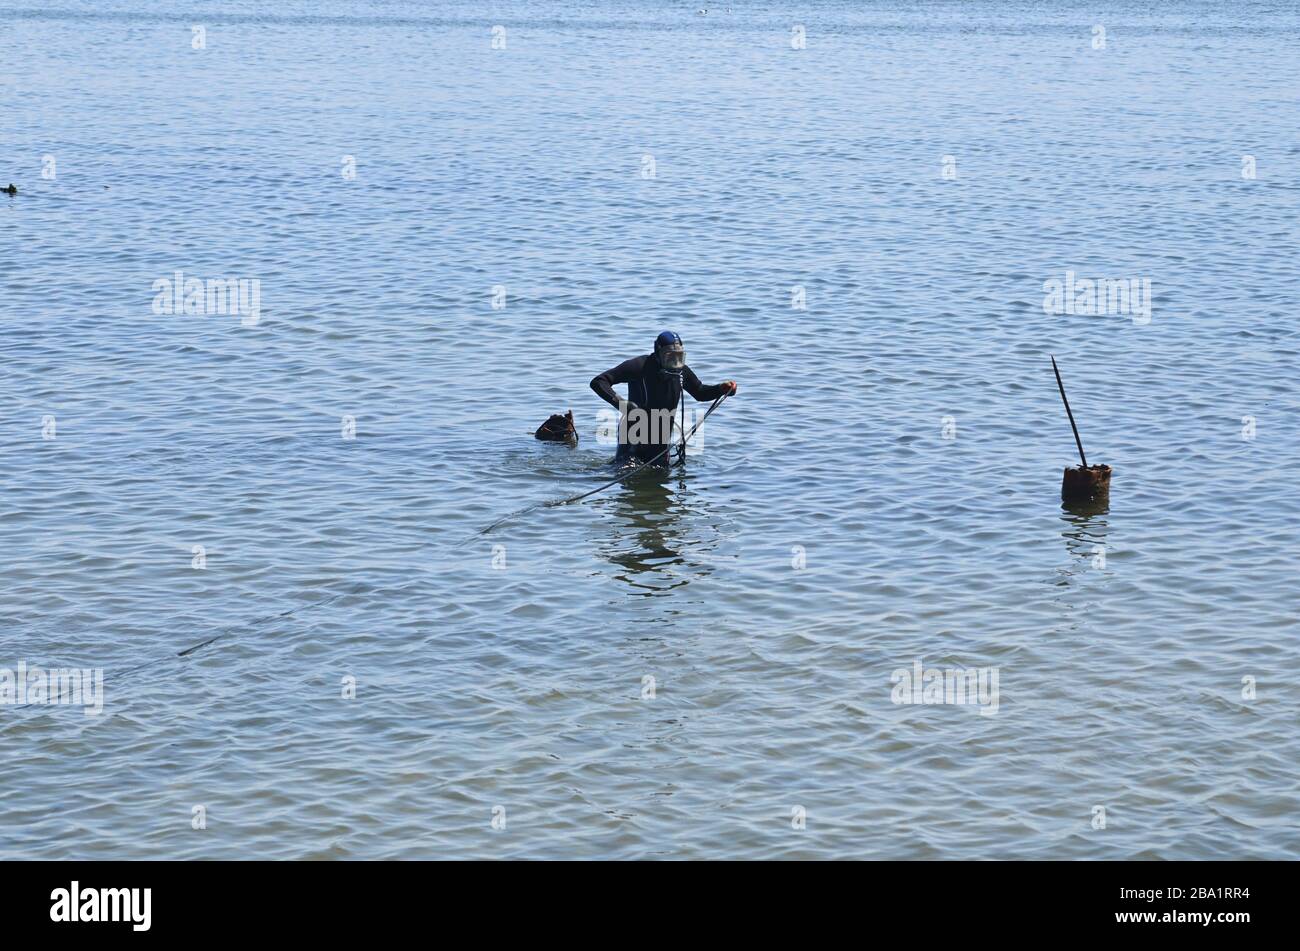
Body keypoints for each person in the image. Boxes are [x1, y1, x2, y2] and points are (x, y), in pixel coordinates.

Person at [590, 332, 737, 467]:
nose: (675, 362)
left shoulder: (682, 372)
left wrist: (721, 389)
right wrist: (622, 404)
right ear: (658, 353)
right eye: (670, 357)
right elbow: (599, 382)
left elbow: (700, 392)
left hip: (660, 439)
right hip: (633, 437)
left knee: (659, 480)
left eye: (679, 357)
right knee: (626, 475)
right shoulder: (640, 366)